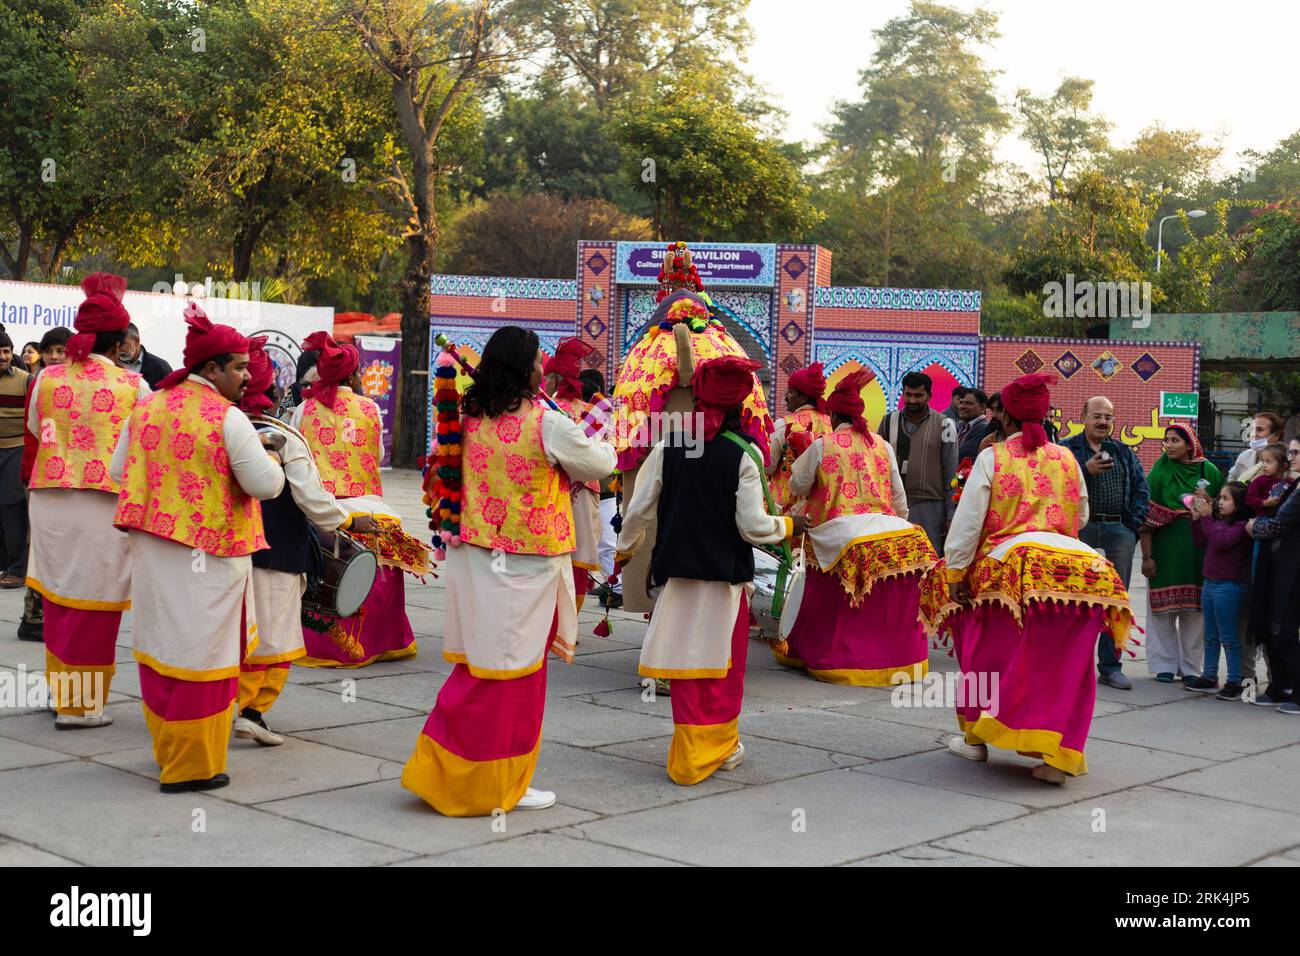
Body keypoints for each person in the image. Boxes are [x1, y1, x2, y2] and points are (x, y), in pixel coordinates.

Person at [402, 326, 616, 815]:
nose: (544, 366)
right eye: (539, 359)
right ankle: (494, 785)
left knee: (478, 666)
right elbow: (600, 464)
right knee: (515, 676)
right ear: (527, 369)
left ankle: (448, 772)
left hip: (476, 558)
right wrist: (597, 431)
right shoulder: (548, 423)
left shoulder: (467, 419)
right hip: (529, 568)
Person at [111, 303, 285, 792]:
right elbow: (265, 486)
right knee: (203, 654)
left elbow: (118, 473)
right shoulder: (228, 419)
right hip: (210, 557)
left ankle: (169, 749)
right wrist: (273, 456)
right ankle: (192, 767)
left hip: (152, 549)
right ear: (210, 369)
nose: (248, 376)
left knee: (159, 643)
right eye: (239, 367)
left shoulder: (147, 407)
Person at [940, 373, 1134, 784]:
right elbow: (1080, 515)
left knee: (984, 652)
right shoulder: (1066, 458)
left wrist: (956, 569)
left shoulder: (993, 457)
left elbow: (969, 519)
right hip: (1077, 571)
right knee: (1065, 664)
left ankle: (976, 740)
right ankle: (1058, 757)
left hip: (1014, 566)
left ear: (1005, 416)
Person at [616, 356, 802, 785]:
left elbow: (638, 509)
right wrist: (790, 525)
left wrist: (626, 550)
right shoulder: (744, 453)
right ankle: (715, 748)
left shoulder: (669, 445)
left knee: (684, 663)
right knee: (721, 665)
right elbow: (753, 527)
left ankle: (689, 752)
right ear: (741, 405)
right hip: (724, 580)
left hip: (676, 577)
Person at [235, 337, 375, 745]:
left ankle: (218, 704)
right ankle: (251, 709)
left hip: (224, 550)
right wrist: (349, 519)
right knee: (276, 633)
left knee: (234, 630)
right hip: (279, 548)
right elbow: (311, 498)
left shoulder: (222, 425)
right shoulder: (281, 436)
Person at [26, 277, 149, 726]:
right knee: (96, 600)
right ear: (120, 344)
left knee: (59, 596)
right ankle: (81, 706)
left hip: (51, 498)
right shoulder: (134, 387)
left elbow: (39, 431)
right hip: (103, 503)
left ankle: (63, 691)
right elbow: (142, 448)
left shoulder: (47, 378)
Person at [775, 369, 937, 684]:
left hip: (841, 530)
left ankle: (842, 658)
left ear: (834, 414)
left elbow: (797, 483)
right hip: (889, 527)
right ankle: (903, 661)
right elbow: (899, 497)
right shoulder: (882, 444)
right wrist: (896, 526)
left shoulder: (823, 445)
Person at [289, 330, 415, 667]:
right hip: (368, 505)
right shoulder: (370, 408)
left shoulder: (303, 410)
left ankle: (319, 640)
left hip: (323, 509)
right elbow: (379, 453)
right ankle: (382, 641)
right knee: (391, 532)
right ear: (354, 375)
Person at [1062, 396, 1150, 690]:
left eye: (1108, 417)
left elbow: (1141, 488)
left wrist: (1131, 527)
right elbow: (1055, 485)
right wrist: (1083, 470)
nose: (1103, 422)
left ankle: (1111, 667)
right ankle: (1072, 665)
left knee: (1115, 600)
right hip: (1080, 531)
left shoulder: (1123, 452)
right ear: (1083, 416)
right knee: (1075, 598)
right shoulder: (1066, 450)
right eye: (1097, 415)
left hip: (1118, 530)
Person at [1140, 423, 1224, 684]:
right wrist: (1147, 557)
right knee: (1160, 613)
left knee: (1195, 613)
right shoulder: (1160, 470)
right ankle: (1163, 664)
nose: (1169, 445)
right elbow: (1146, 518)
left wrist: (1207, 502)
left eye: (1176, 440)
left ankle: (1190, 667)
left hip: (1199, 553)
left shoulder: (1208, 471)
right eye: (1167, 440)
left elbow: (1223, 512)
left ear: (1190, 443)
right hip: (1164, 551)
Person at [16, 326, 72, 643]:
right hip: (40, 474)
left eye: (60, 351)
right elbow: (34, 431)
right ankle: (33, 617)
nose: (53, 357)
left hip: (59, 477)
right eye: (49, 351)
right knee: (40, 548)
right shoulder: (41, 382)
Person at [543, 337, 607, 612]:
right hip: (583, 492)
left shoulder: (543, 411)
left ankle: (548, 618)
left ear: (555, 380)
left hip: (550, 489)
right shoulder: (594, 414)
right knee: (578, 556)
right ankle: (567, 622)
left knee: (548, 554)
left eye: (548, 377)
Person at [1184, 482, 1253, 700]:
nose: (1220, 502)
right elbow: (1201, 541)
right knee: (1210, 635)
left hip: (1229, 586)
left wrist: (1205, 518)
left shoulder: (1241, 526)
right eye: (1220, 498)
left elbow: (1222, 541)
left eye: (1225, 499)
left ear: (1238, 504)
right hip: (1211, 583)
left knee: (1229, 636)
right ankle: (1209, 676)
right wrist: (1197, 521)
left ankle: (1235, 681)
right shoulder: (1218, 522)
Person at [881, 371, 958, 554]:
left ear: (929, 396)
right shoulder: (888, 421)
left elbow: (951, 473)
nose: (912, 400)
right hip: (893, 506)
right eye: (908, 394)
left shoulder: (945, 425)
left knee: (928, 561)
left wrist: (950, 515)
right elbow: (878, 464)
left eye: (918, 395)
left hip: (930, 508)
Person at [1246, 475, 1300, 715]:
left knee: (1284, 632)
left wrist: (1255, 527)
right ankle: (1279, 685)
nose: (1292, 457)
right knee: (1270, 628)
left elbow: (1280, 524)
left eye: (1297, 453)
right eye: (1291, 452)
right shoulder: (1293, 485)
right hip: (1277, 567)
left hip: (1293, 571)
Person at [766, 361, 833, 512]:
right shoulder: (831, 424)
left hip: (784, 507)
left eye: (790, 392)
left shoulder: (784, 425)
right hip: (820, 508)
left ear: (802, 398)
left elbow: (768, 466)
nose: (786, 398)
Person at [0, 325, 31, 589]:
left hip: (15, 450)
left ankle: (17, 570)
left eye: (6, 351)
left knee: (12, 511)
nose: (3, 356)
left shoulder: (25, 380)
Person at [1227, 412, 1284, 482]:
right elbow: (1232, 478)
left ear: (1275, 436)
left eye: (1259, 430)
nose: (1253, 434)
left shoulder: (1282, 462)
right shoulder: (1244, 456)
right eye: (1252, 429)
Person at [116, 322, 174, 390]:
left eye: (122, 343)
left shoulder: (160, 368)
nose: (118, 348)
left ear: (137, 341)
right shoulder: (109, 364)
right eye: (115, 344)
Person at [955, 387, 991, 463]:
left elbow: (962, 455)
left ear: (983, 407)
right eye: (961, 402)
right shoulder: (960, 426)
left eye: (968, 403)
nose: (962, 407)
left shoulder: (985, 428)